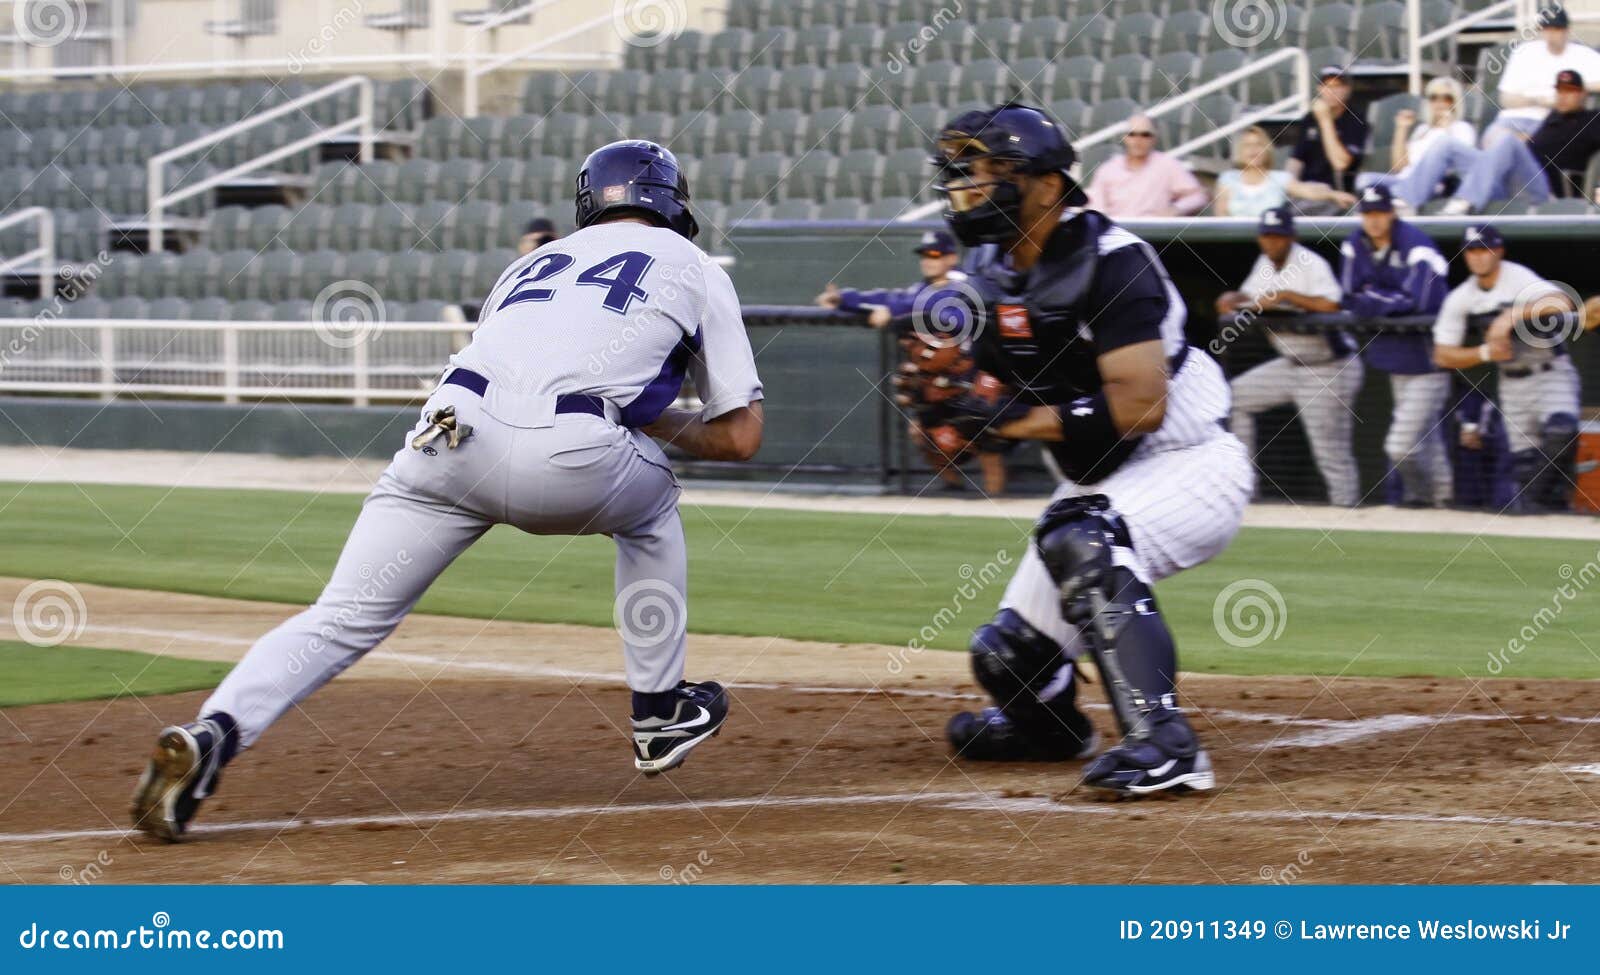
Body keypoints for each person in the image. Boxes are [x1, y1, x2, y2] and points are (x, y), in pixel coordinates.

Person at [130, 141, 766, 840]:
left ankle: (215, 730)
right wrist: (655, 417)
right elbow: (739, 437)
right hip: (567, 451)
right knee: (653, 508)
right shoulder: (694, 266)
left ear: (588, 203)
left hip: (446, 437)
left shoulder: (532, 262)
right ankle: (658, 709)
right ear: (673, 203)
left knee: (340, 616)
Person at [929, 102, 1252, 796]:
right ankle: (1050, 730)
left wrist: (1007, 421)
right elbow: (992, 380)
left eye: (996, 169)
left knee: (1086, 539)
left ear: (1049, 184)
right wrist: (955, 406)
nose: (974, 183)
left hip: (1187, 460)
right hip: (1095, 481)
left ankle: (1167, 745)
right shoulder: (986, 273)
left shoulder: (1114, 260)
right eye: (969, 169)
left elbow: (1141, 405)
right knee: (1007, 656)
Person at [815, 230, 1010, 495]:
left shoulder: (965, 285)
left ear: (951, 257)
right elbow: (893, 300)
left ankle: (996, 506)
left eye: (935, 254)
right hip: (945, 384)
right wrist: (845, 299)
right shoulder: (924, 289)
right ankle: (953, 491)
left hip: (981, 379)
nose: (928, 260)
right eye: (924, 255)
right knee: (922, 432)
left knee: (986, 438)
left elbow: (946, 316)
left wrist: (895, 318)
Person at [1217, 207, 1362, 506]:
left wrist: (1288, 296)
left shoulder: (1310, 263)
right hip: (1290, 364)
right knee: (1234, 398)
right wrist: (1232, 299)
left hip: (1328, 366)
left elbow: (1333, 306)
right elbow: (1248, 298)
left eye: (1278, 237)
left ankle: (1347, 510)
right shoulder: (1264, 263)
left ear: (1291, 237)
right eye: (1267, 236)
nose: (1272, 243)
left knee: (1329, 450)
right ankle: (1247, 490)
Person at [1431, 224, 1581, 512]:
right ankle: (1539, 513)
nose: (1478, 257)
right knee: (1524, 463)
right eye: (1471, 251)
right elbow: (1442, 355)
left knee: (1561, 433)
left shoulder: (1517, 276)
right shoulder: (1462, 296)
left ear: (1498, 250)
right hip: (1511, 382)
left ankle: (1541, 505)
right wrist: (1485, 351)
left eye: (1484, 249)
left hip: (1549, 370)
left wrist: (1513, 315)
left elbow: (1563, 303)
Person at [1339, 184, 1451, 507]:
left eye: (1380, 213)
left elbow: (1422, 301)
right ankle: (1445, 502)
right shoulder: (1354, 242)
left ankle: (1423, 495)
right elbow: (1349, 296)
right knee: (1429, 439)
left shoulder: (1416, 242)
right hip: (1395, 360)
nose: (1374, 221)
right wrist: (1393, 299)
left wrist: (1374, 296)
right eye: (1368, 214)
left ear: (1392, 213)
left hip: (1430, 361)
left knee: (1401, 445)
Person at [1440, 69, 1600, 214]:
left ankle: (1466, 200)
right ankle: (1414, 205)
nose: (1563, 96)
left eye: (1570, 90)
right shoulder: (1553, 116)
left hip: (1544, 190)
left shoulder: (1592, 119)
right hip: (1514, 182)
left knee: (1508, 141)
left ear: (1583, 94)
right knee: (1449, 146)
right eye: (1560, 90)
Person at [1483, 5, 1600, 147]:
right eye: (1546, 29)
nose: (1551, 35)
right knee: (1494, 140)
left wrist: (1574, 88)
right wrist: (1538, 101)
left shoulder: (1583, 55)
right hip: (1512, 119)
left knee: (1519, 146)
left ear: (1567, 31)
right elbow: (1505, 99)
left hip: (1550, 123)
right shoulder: (1524, 52)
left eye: (1556, 30)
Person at [1356, 76, 1477, 210]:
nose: (1440, 102)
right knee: (1364, 180)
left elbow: (1459, 166)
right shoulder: (1422, 130)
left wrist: (1448, 128)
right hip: (1404, 181)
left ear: (1455, 101)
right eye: (1434, 97)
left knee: (1378, 191)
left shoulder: (1462, 128)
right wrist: (1401, 128)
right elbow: (1399, 166)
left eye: (1447, 98)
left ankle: (1398, 197)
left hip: (1435, 183)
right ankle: (1396, 195)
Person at [1083, 113, 1208, 218]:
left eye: (1145, 135)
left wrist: (1175, 209)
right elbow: (1096, 207)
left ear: (1154, 139)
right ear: (1125, 138)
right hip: (1117, 232)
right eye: (1132, 134)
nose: (1138, 140)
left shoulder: (1167, 164)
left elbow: (1198, 196)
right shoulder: (1108, 168)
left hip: (1153, 233)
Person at [1214, 126, 1355, 217]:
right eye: (1247, 145)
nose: (1253, 150)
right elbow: (1221, 214)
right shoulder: (1228, 179)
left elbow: (1308, 191)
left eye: (1258, 145)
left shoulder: (1280, 178)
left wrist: (1333, 195)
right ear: (1240, 151)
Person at [1287, 66, 1368, 206]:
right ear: (1320, 89)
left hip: (1338, 191)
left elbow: (1341, 163)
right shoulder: (1310, 119)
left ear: (1347, 89)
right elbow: (1296, 159)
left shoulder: (1356, 119)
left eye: (1337, 86)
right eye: (1327, 86)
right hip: (1307, 189)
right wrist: (1289, 184)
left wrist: (1325, 120)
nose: (1332, 92)